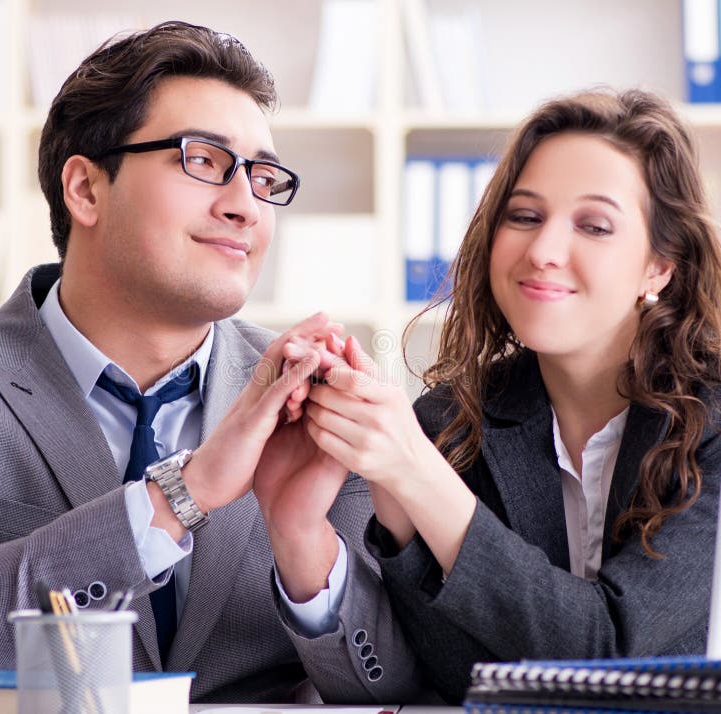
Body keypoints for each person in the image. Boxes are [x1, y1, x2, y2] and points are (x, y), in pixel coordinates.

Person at [0, 21, 420, 703]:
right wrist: (177, 500)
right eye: (204, 161)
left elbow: (392, 688)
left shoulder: (316, 396)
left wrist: (304, 540)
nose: (245, 205)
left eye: (263, 176)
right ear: (86, 190)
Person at [301, 88, 721, 702]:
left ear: (660, 267)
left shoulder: (709, 426)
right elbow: (459, 678)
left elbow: (616, 661)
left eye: (594, 225)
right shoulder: (449, 422)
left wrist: (418, 477)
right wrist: (395, 498)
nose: (543, 252)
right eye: (524, 216)